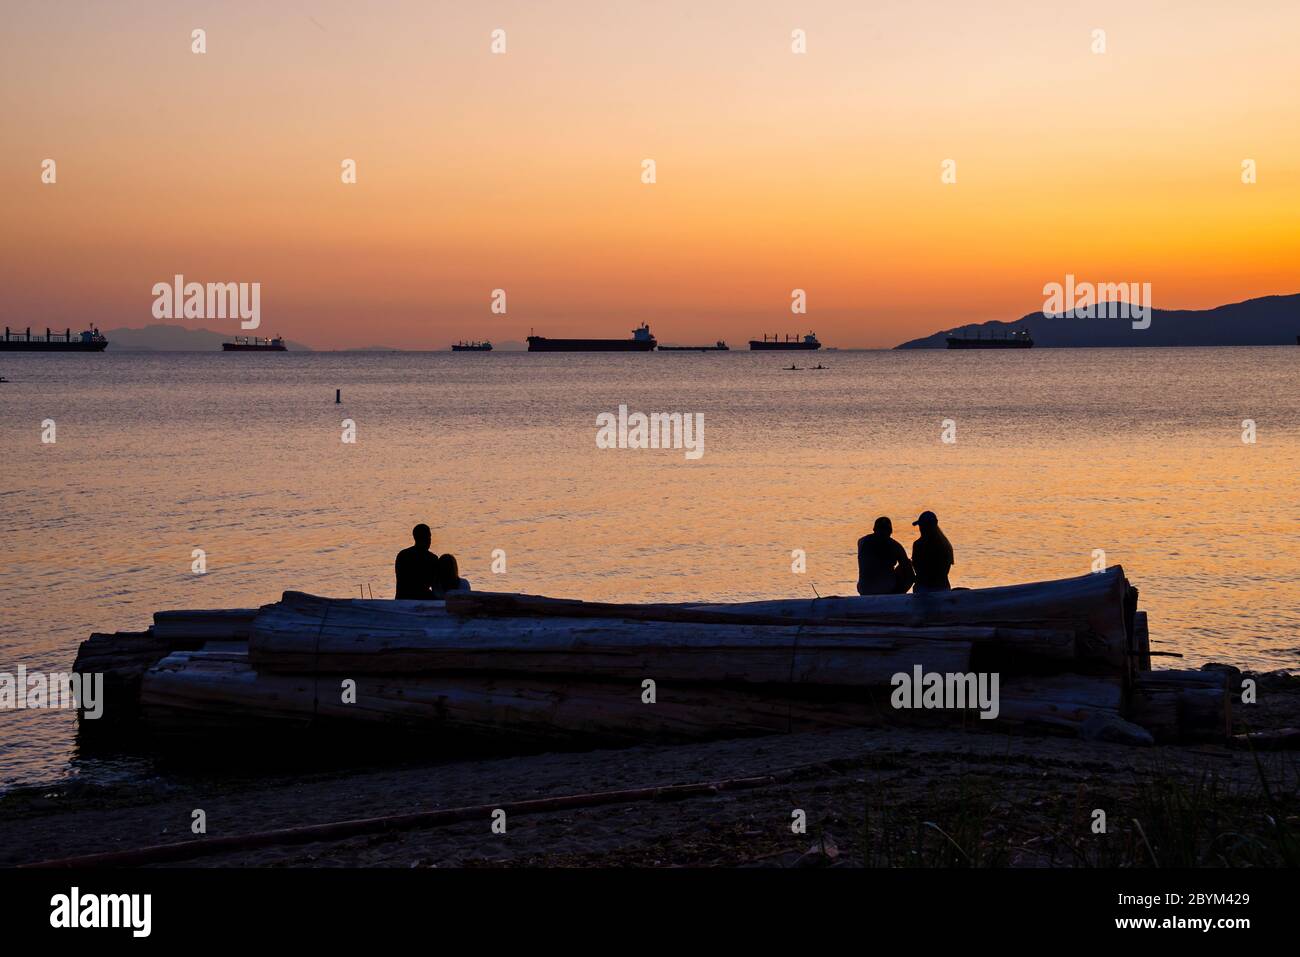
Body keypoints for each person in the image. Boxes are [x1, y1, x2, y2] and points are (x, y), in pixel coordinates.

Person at [856, 516, 915, 595]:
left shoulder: (862, 542)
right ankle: (898, 595)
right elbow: (906, 567)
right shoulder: (895, 546)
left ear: (874, 530)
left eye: (884, 530)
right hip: (886, 589)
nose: (883, 533)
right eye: (882, 530)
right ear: (891, 531)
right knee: (907, 563)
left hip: (864, 589)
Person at [910, 511, 954, 592]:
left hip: (923, 589)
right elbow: (946, 570)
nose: (920, 528)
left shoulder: (918, 545)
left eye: (921, 526)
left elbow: (917, 569)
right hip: (943, 587)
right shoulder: (946, 545)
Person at [394, 524, 440, 599]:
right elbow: (435, 585)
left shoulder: (402, 555)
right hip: (422, 600)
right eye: (429, 537)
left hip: (402, 598)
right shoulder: (432, 559)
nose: (430, 540)